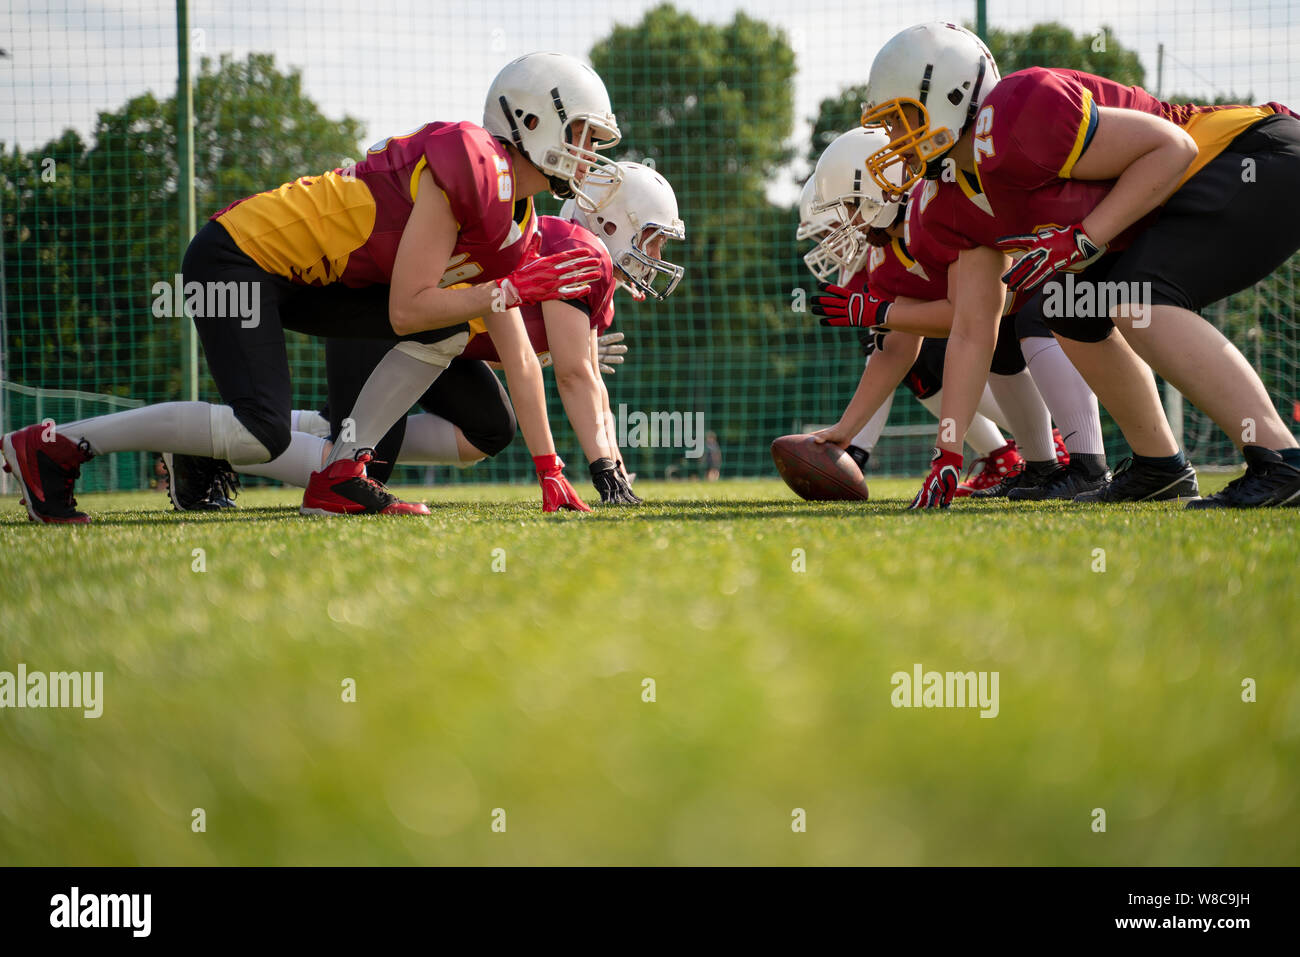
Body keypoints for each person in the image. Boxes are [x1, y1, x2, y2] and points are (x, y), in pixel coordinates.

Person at [2, 52, 615, 522]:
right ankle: (55, 446)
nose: (589, 154)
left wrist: (549, 467)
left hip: (310, 278)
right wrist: (502, 293)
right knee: (258, 431)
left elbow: (488, 334)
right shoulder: (472, 163)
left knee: (449, 328)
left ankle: (340, 472)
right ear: (530, 120)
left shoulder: (520, 222)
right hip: (240, 255)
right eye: (584, 133)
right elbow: (406, 309)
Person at [861, 20, 1300, 508]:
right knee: (1069, 304)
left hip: (1251, 155)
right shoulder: (946, 202)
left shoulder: (1017, 110)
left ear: (949, 92)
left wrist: (1084, 240)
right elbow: (971, 329)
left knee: (1137, 298)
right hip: (1178, 199)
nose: (892, 137)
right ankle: (1160, 466)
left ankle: (1280, 460)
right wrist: (947, 452)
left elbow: (1173, 147)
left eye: (900, 117)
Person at [165, 163, 685, 508]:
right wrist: (598, 474)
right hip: (393, 320)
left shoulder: (576, 257)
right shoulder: (576, 251)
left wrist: (614, 466)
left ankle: (278, 435)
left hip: (436, 337)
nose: (656, 258)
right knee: (360, 470)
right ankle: (215, 445)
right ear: (612, 222)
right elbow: (574, 377)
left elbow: (583, 379)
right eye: (652, 240)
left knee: (489, 428)